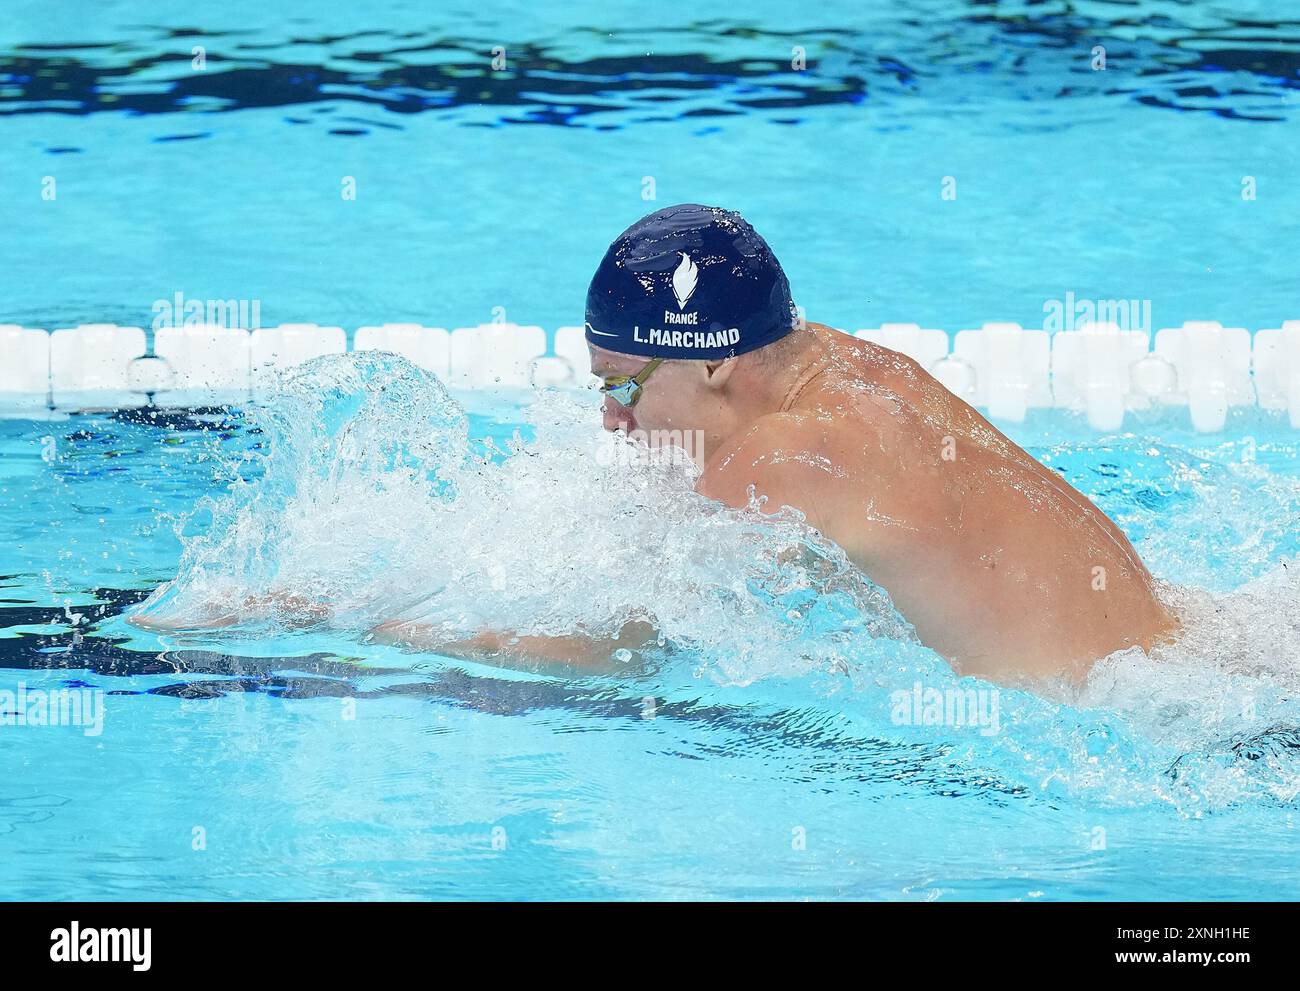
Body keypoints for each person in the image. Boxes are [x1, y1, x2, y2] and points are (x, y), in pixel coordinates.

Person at [382, 203, 1178, 685]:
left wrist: (387, 647)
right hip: (1170, 649)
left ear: (718, 361)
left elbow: (623, 648)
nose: (611, 421)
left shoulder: (783, 458)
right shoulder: (850, 364)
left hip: (1122, 724)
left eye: (621, 385)